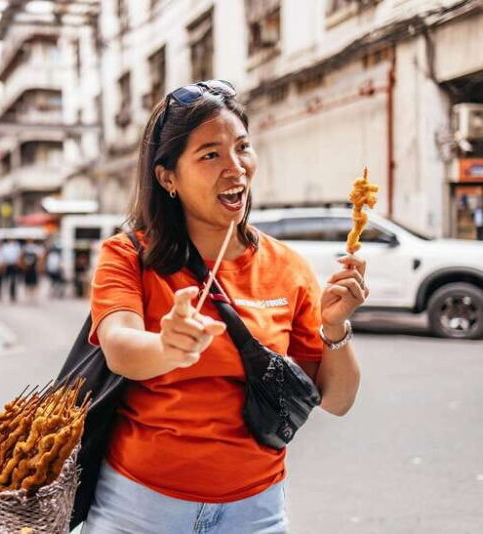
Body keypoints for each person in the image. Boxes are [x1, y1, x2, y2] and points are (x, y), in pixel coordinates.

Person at [83, 80, 365, 534]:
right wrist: (169, 346)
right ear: (167, 177)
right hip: (141, 509)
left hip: (256, 511)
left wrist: (336, 327)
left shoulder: (287, 265)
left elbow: (338, 399)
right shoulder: (128, 254)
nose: (236, 168)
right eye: (210, 155)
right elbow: (120, 347)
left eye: (243, 148)